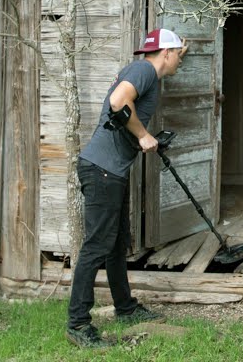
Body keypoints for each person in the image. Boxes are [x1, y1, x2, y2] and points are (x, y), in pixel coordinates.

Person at [66, 28, 188, 349]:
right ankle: (78, 324)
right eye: (179, 54)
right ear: (166, 52)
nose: (180, 61)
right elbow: (118, 101)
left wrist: (147, 137)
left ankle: (125, 308)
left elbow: (122, 113)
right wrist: (144, 135)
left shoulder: (145, 73)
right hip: (102, 171)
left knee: (117, 244)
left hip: (109, 170)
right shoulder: (144, 69)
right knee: (96, 246)